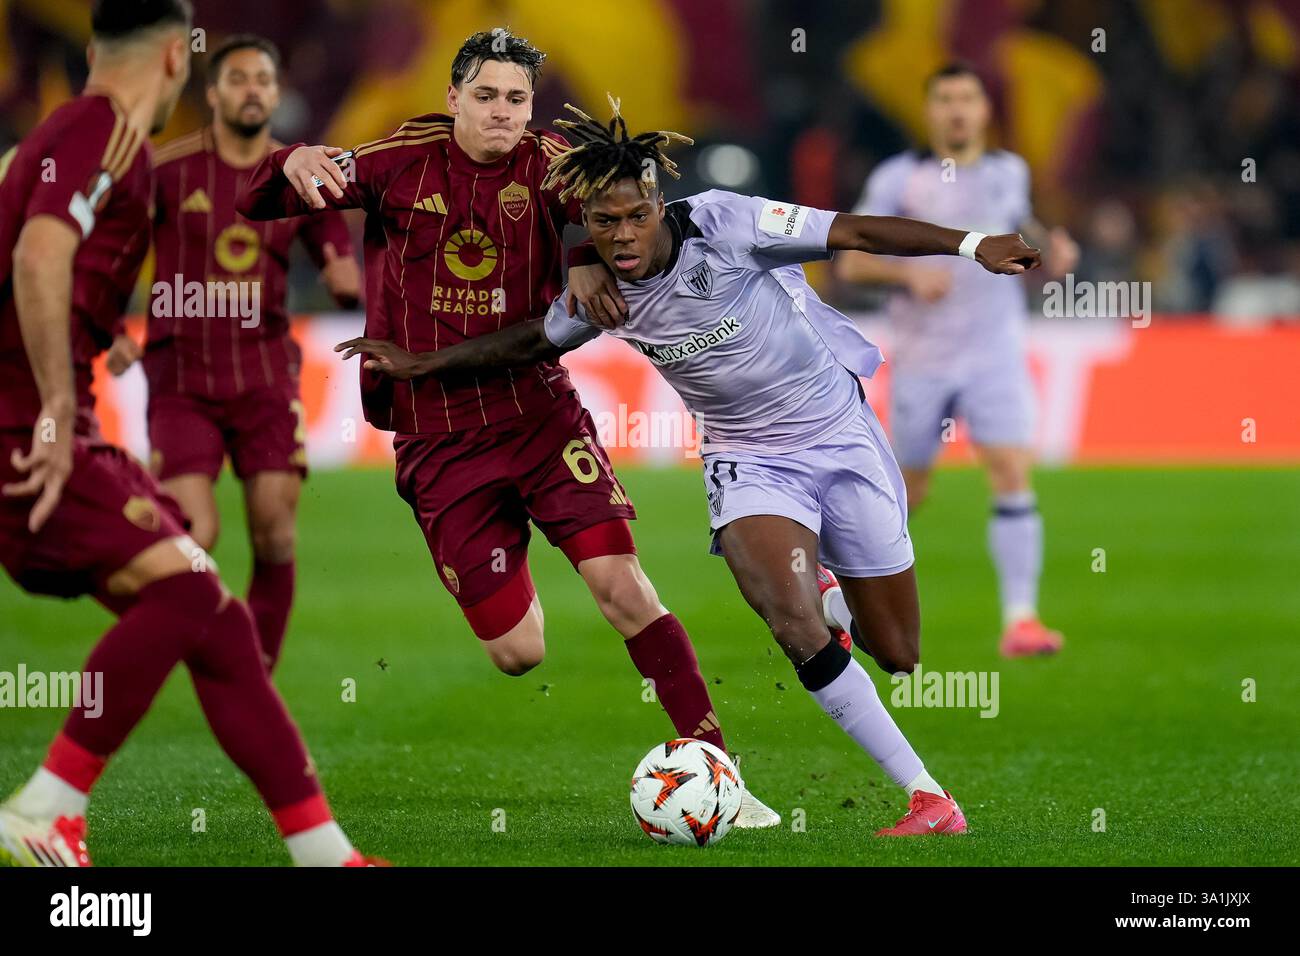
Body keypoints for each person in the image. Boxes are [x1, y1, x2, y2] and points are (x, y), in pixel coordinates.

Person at [336, 98, 1042, 835]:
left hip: (839, 434)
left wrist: (971, 244)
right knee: (787, 618)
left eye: (634, 216)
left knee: (897, 653)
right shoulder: (602, 292)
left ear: (659, 204)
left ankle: (835, 603)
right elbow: (528, 343)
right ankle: (928, 796)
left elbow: (855, 231)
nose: (621, 236)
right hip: (747, 459)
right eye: (602, 225)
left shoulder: (725, 223)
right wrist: (423, 362)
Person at [236, 29, 779, 827]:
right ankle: (505, 570)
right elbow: (256, 201)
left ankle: (723, 772)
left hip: (539, 415)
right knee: (518, 653)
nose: (501, 113)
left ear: (533, 106)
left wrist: (590, 248)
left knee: (623, 588)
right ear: (453, 96)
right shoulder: (393, 163)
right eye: (485, 96)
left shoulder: (554, 166)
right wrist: (281, 163)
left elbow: (634, 219)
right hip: (439, 439)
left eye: (517, 99)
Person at [0, 0, 378, 867]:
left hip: (75, 419)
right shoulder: (114, 139)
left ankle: (325, 854)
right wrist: (59, 408)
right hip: (34, 428)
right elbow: (37, 256)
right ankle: (45, 807)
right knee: (185, 588)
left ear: (98, 49)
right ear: (181, 61)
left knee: (213, 609)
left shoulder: (59, 132)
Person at [104, 33, 361, 670]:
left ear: (277, 93)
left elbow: (343, 269)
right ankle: (195, 636)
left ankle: (254, 676)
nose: (253, 91)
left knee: (274, 532)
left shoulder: (301, 179)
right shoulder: (167, 170)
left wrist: (351, 278)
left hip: (266, 379)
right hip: (181, 378)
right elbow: (111, 256)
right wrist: (110, 327)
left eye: (264, 80)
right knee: (196, 536)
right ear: (213, 92)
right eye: (239, 79)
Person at [834, 62, 1079, 657]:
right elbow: (851, 261)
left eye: (967, 97)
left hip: (995, 354)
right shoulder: (899, 178)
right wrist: (906, 278)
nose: (957, 109)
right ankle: (839, 607)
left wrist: (1054, 251)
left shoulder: (1008, 172)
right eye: (945, 99)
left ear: (985, 109)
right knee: (908, 493)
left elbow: (1023, 235)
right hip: (925, 360)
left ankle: (1021, 620)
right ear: (930, 111)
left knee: (1010, 473)